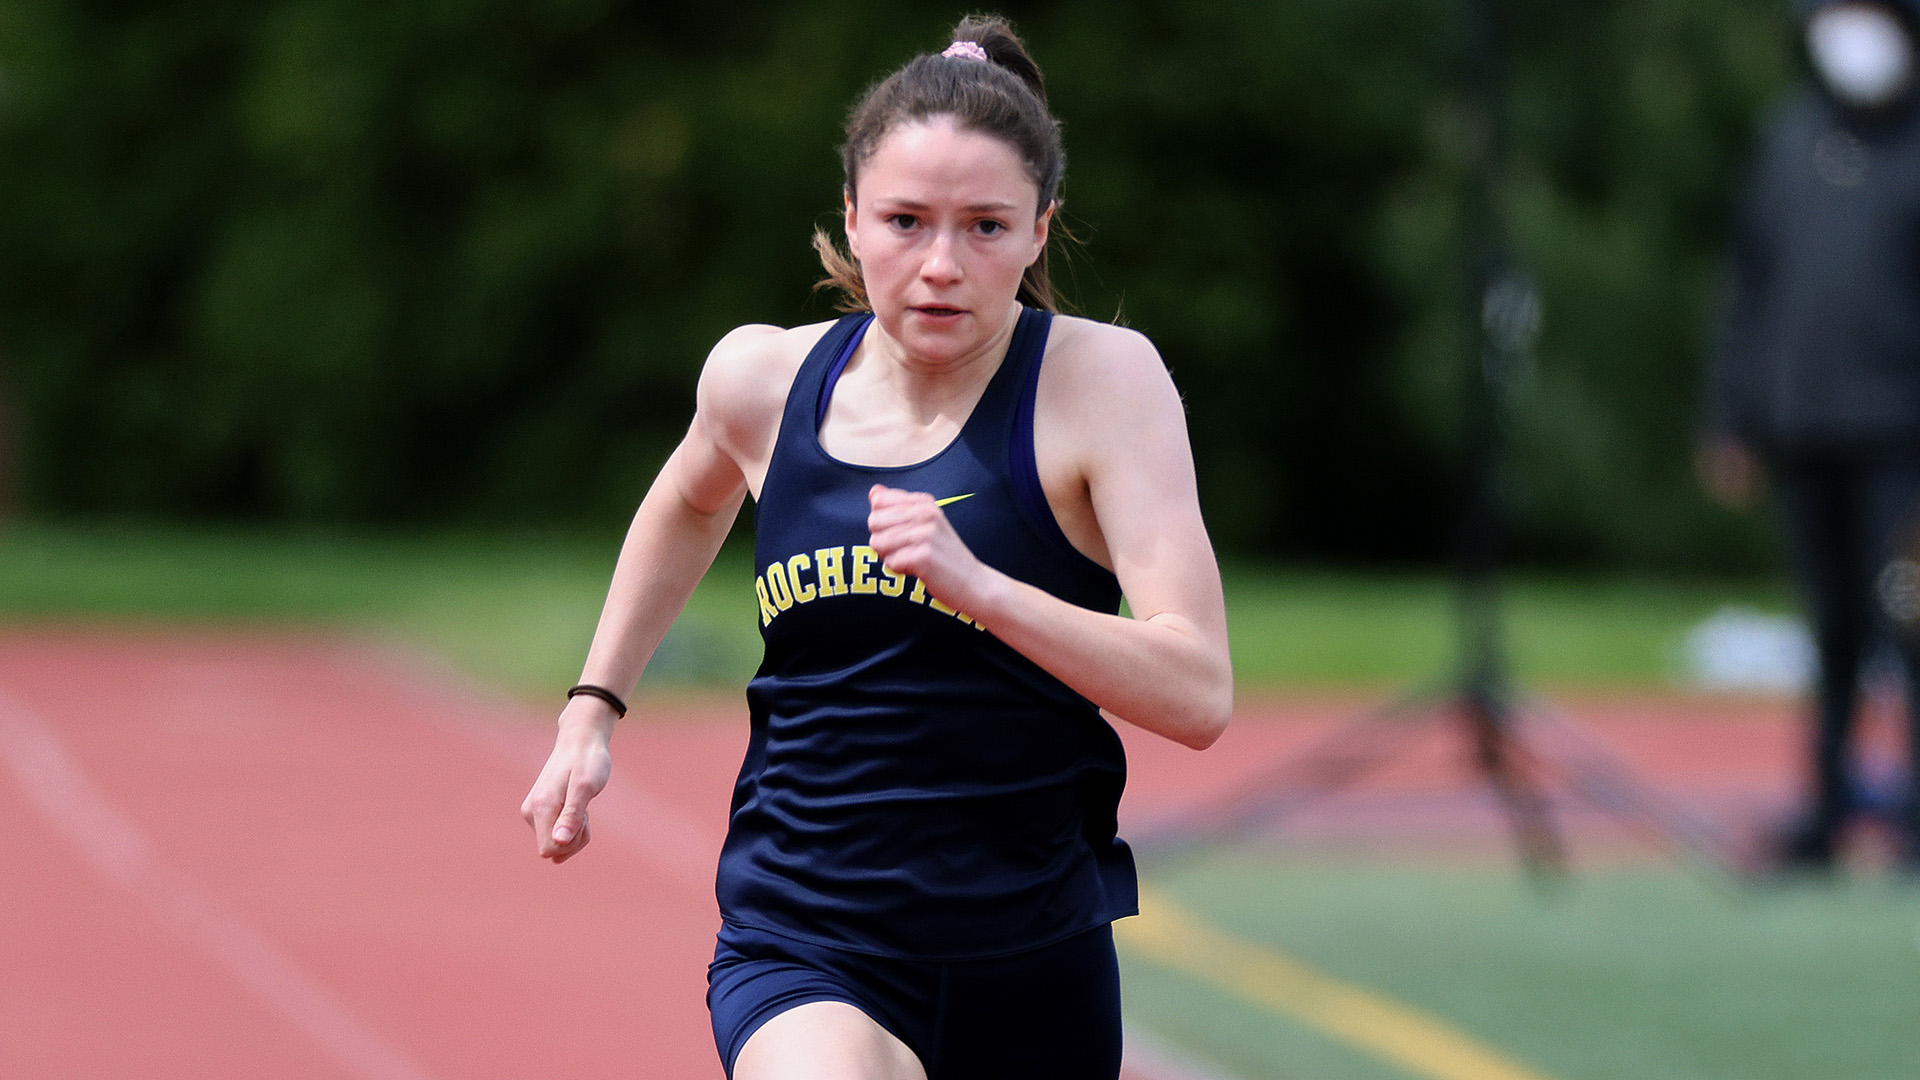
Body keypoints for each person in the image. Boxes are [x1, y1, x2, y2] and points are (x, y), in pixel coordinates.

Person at [520, 15, 1232, 1079]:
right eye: (906, 221)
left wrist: (980, 587)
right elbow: (686, 502)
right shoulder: (763, 381)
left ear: (1042, 228)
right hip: (805, 935)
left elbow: (1197, 691)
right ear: (852, 220)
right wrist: (592, 708)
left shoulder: (1103, 388)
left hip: (1032, 955)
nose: (940, 265)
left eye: (985, 227)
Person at [1702, 0, 1920, 874]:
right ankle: (1827, 807)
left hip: (1902, 434)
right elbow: (1748, 282)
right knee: (1828, 628)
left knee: (1906, 622)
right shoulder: (1792, 138)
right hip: (1807, 427)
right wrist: (1731, 413)